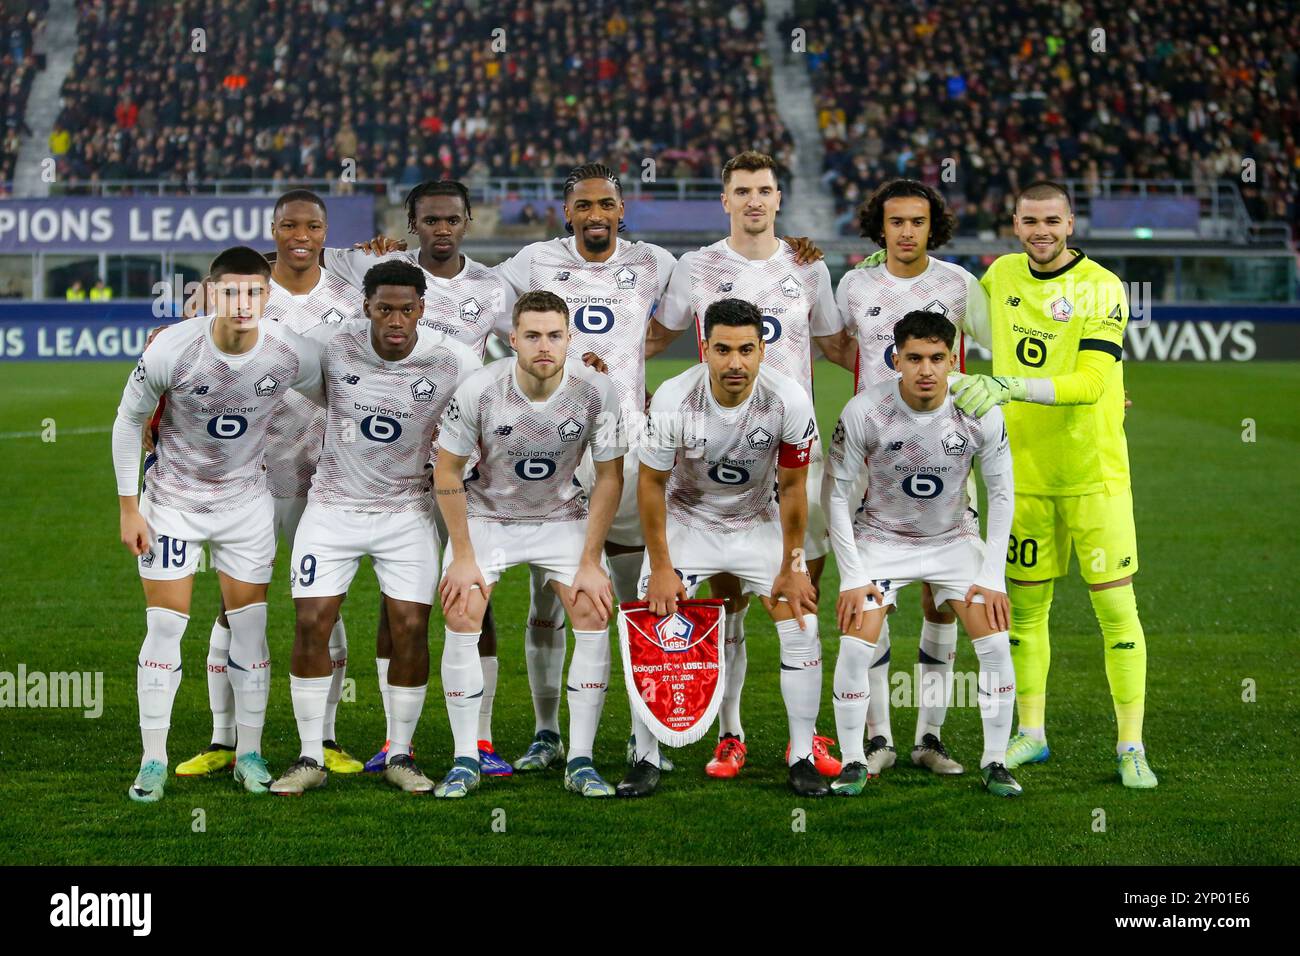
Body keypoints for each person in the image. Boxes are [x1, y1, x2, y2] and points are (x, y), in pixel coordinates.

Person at [647, 149, 852, 780]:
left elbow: (837, 344)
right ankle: (730, 734)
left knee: (798, 594)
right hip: (711, 458)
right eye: (743, 190)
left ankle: (805, 737)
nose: (755, 200)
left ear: (778, 199)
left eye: (765, 189)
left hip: (794, 456)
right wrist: (588, 367)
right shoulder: (697, 266)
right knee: (726, 603)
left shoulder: (808, 268)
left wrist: (928, 382)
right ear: (726, 200)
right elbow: (653, 336)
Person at [950, 180, 1157, 788]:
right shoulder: (1002, 276)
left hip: (1094, 476)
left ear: (1071, 223)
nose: (1041, 231)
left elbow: (1094, 381)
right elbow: (944, 298)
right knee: (1026, 612)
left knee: (1117, 612)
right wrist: (889, 259)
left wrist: (1010, 386)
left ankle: (1130, 746)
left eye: (1052, 221)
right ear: (1014, 224)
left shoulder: (1102, 287)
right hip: (1021, 477)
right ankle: (1032, 735)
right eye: (1029, 221)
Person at [112, 246, 324, 802]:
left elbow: (344, 391)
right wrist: (128, 507)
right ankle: (152, 761)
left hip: (246, 506)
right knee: (165, 628)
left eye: (253, 292)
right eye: (230, 291)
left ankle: (248, 755)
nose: (242, 303)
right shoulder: (173, 348)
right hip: (172, 505)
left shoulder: (289, 353)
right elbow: (127, 419)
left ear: (267, 296)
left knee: (249, 629)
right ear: (211, 293)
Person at [320, 180, 518, 776]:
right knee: (395, 601)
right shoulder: (383, 270)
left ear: (467, 221)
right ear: (411, 222)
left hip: (465, 467)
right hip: (391, 469)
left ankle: (479, 737)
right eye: (429, 219)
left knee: (473, 596)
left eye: (452, 219)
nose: (441, 228)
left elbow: (528, 341)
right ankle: (392, 736)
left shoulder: (493, 286)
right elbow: (293, 261)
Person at [176, 189, 367, 780]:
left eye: (312, 225)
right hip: (255, 475)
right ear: (274, 229)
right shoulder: (245, 293)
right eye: (289, 225)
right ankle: (224, 740)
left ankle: (326, 737)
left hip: (331, 478)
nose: (301, 235)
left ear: (325, 230)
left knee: (324, 608)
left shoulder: (350, 295)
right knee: (235, 610)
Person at [271, 259, 480, 795]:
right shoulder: (330, 346)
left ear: (422, 310)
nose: (395, 319)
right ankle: (309, 755)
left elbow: (492, 409)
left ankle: (400, 754)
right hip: (332, 507)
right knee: (312, 622)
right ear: (365, 307)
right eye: (384, 308)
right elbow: (263, 356)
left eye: (406, 309)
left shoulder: (453, 359)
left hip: (406, 512)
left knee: (410, 627)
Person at [620, 298, 824, 798]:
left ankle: (801, 754)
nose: (736, 363)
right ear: (705, 348)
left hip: (756, 521)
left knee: (802, 622)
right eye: (724, 350)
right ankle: (645, 754)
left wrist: (793, 565)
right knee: (652, 621)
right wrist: (663, 567)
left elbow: (793, 488)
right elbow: (651, 485)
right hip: (689, 522)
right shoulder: (673, 397)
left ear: (762, 350)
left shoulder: (789, 398)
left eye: (747, 350)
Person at [432, 290, 626, 798]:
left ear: (569, 339)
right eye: (533, 336)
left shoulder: (597, 390)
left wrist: (588, 560)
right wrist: (464, 557)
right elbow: (447, 471)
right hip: (488, 516)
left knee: (592, 607)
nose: (545, 346)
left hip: (562, 517)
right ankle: (465, 758)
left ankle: (579, 759)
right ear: (513, 339)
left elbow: (609, 477)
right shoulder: (479, 388)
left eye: (555, 336)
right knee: (461, 608)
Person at [823, 310, 1021, 797]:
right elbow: (835, 493)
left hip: (952, 541)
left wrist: (992, 575)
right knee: (855, 641)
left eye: (937, 358)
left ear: (953, 359)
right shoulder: (865, 411)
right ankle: (856, 757)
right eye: (915, 358)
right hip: (880, 540)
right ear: (897, 359)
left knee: (994, 643)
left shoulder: (978, 410)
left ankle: (989, 760)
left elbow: (1000, 494)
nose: (927, 370)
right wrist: (852, 575)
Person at [834, 178, 993, 778]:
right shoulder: (855, 283)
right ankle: (878, 738)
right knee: (868, 598)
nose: (906, 231)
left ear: (933, 226)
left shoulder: (959, 284)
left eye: (917, 221)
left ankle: (929, 736)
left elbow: (991, 352)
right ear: (881, 226)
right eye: (895, 221)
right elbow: (833, 345)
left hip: (947, 461)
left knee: (942, 600)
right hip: (873, 462)